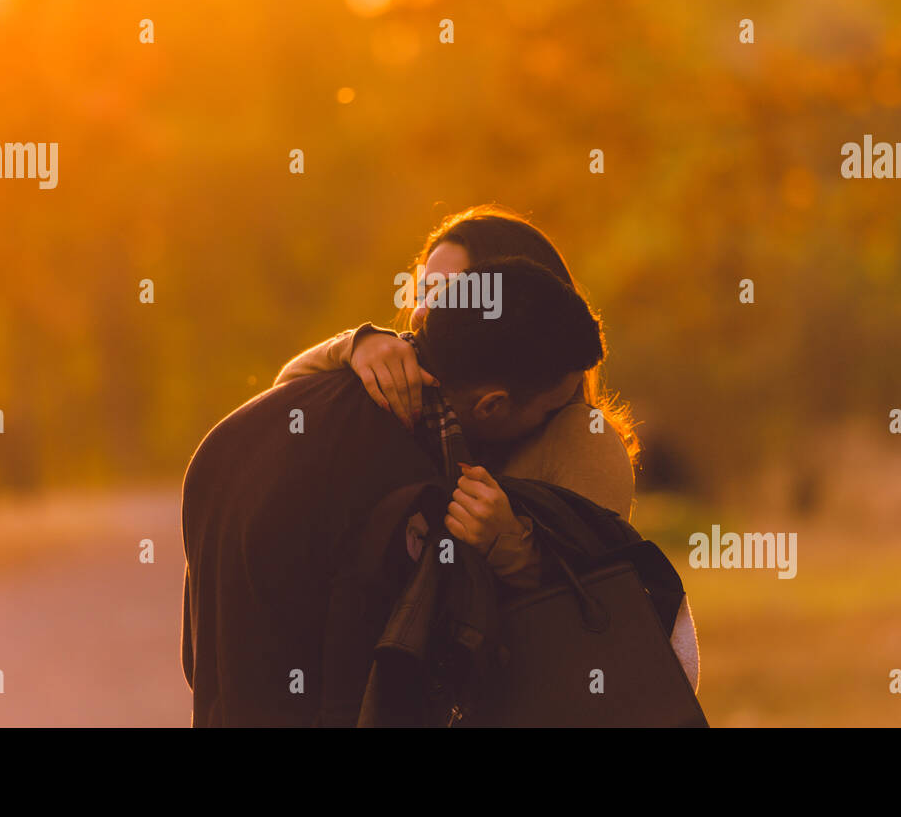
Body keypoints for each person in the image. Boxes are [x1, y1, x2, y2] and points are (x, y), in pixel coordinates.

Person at [273, 205, 699, 689]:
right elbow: (282, 413)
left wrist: (513, 546)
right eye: (424, 290)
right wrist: (353, 347)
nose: (423, 311)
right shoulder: (430, 399)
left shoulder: (582, 443)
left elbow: (593, 607)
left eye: (451, 292)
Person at [181, 258, 607, 726]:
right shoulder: (420, 492)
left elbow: (197, 652)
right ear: (492, 405)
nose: (551, 426)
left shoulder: (229, 436)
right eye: (549, 413)